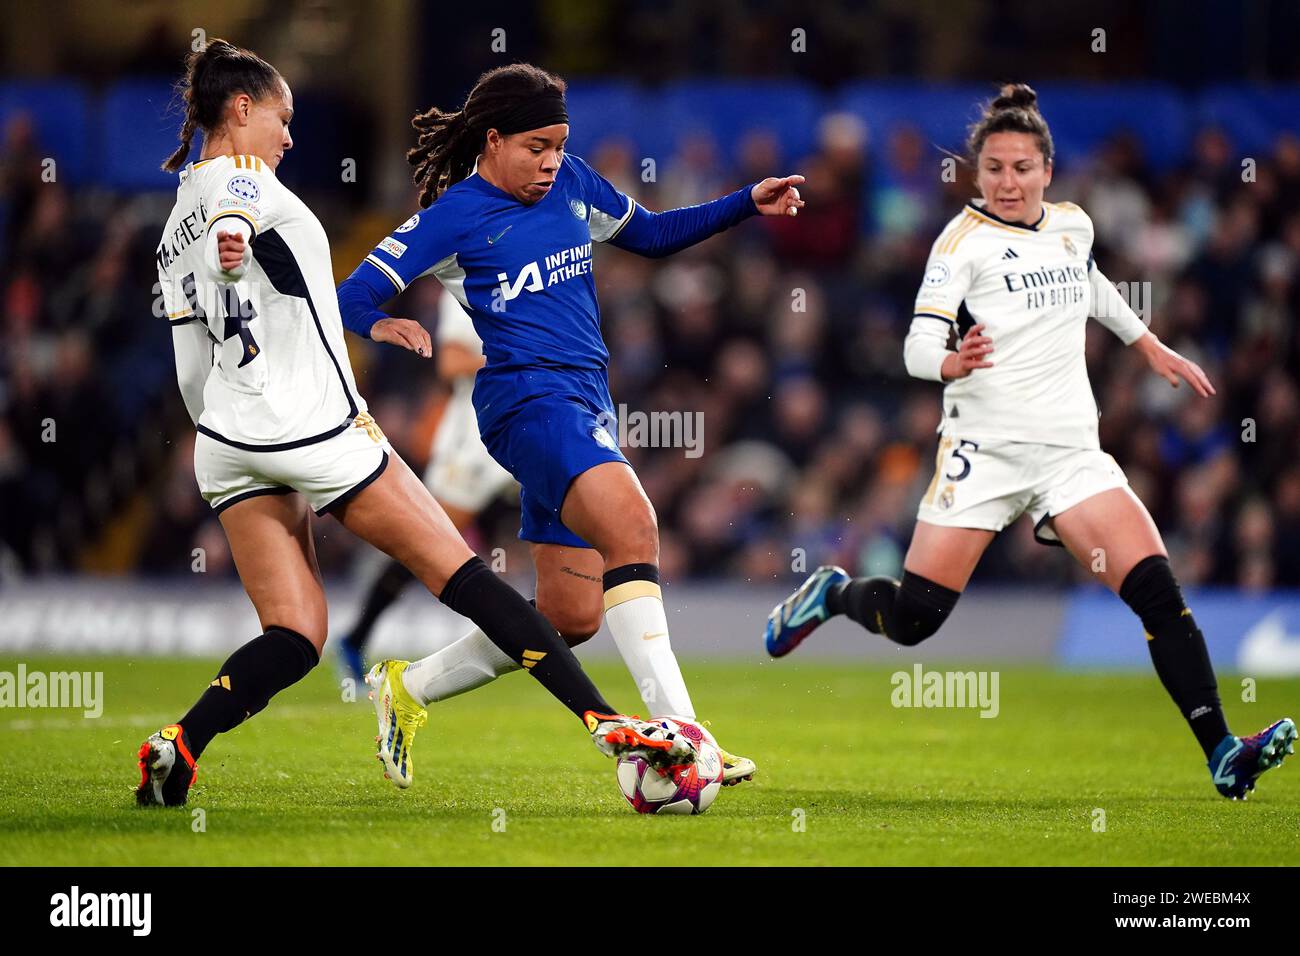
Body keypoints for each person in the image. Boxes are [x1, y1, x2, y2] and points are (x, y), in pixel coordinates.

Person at [138, 40, 690, 807]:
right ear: (239, 111)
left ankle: (180, 744)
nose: (290, 136)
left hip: (226, 445)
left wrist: (223, 422)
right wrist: (234, 239)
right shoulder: (244, 181)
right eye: (282, 118)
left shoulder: (170, 228)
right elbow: (237, 213)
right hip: (315, 431)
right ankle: (606, 722)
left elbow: (191, 358)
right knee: (463, 576)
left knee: (296, 635)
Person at [765, 84, 1295, 801]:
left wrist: (1149, 345)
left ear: (1048, 169)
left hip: (1071, 456)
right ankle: (833, 594)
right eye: (995, 169)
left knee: (1158, 595)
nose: (1008, 182)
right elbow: (917, 345)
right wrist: (951, 360)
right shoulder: (960, 245)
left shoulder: (1073, 225)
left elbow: (1089, 283)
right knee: (915, 621)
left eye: (1022, 168)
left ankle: (1223, 750)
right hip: (983, 454)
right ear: (978, 174)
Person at [337, 62, 805, 787]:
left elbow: (649, 234)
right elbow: (354, 293)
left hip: (584, 399)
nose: (551, 160)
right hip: (525, 402)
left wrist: (746, 201)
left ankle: (406, 689)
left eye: (559, 143)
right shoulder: (455, 216)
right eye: (536, 146)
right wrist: (384, 323)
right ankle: (690, 739)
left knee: (571, 616)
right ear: (492, 141)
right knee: (636, 529)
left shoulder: (573, 183)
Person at [335, 289, 517, 682]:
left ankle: (547, 629)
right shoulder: (466, 288)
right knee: (427, 546)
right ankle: (356, 636)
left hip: (528, 424)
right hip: (474, 442)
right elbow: (450, 363)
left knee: (554, 517)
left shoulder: (533, 276)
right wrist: (520, 356)